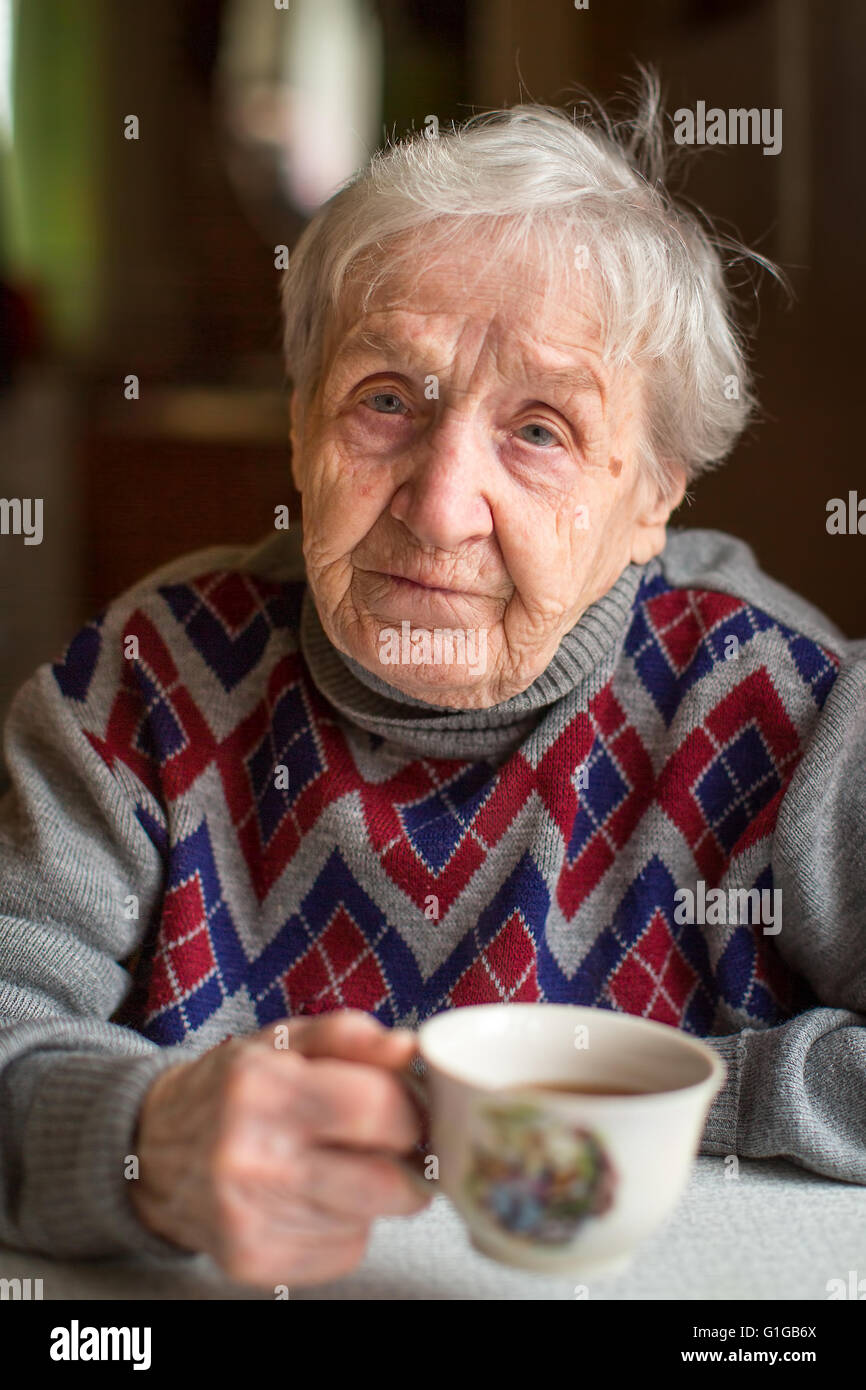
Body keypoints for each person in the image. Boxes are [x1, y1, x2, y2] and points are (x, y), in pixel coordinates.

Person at [1, 75, 864, 1290]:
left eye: (540, 430)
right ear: (301, 427)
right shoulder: (139, 690)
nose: (442, 502)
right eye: (386, 401)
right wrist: (150, 1136)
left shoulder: (793, 712)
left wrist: (678, 1097)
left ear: (653, 496)